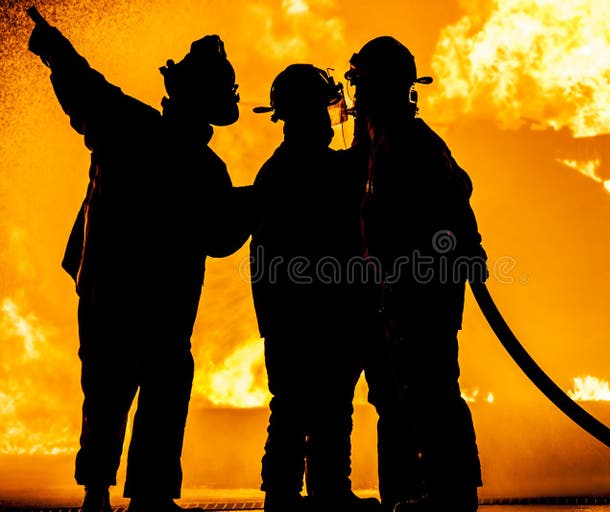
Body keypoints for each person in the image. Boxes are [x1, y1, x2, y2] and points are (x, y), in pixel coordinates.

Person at [28, 12, 248, 512]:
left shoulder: (126, 124)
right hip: (158, 306)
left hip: (108, 291)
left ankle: (98, 493)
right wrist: (259, 202)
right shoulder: (205, 167)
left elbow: (82, 85)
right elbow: (222, 236)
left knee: (106, 389)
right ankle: (147, 495)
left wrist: (53, 46)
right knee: (160, 390)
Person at [344, 36, 487, 512]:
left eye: (362, 87)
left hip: (420, 292)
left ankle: (446, 494)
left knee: (431, 390)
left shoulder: (406, 142)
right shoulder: (389, 139)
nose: (357, 99)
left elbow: (450, 201)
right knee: (409, 392)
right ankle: (417, 492)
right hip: (407, 291)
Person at [249, 64, 381, 512]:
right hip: (322, 314)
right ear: (307, 115)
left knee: (294, 406)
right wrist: (369, 113)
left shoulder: (277, 170)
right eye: (324, 112)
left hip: (287, 316)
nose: (330, 122)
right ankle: (324, 493)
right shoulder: (314, 168)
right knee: (324, 407)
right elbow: (359, 165)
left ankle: (285, 495)